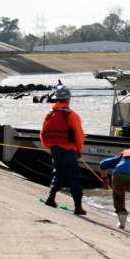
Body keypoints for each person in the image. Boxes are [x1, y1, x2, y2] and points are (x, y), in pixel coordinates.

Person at [40, 84, 87, 215]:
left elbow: (43, 133)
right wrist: (79, 150)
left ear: (56, 99)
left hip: (54, 150)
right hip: (68, 150)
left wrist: (49, 147)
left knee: (58, 174)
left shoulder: (49, 114)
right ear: (68, 99)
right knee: (74, 178)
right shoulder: (72, 115)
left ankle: (51, 198)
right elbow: (79, 135)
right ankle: (78, 207)